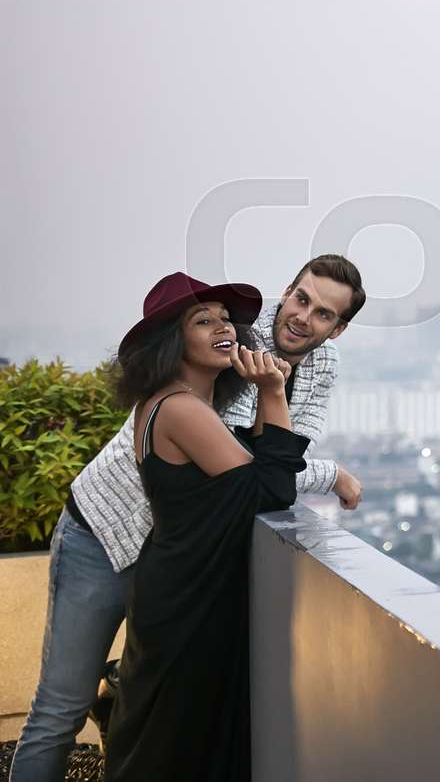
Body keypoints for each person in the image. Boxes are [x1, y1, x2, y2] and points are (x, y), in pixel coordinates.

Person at [9, 255, 366, 782]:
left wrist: (293, 456)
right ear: (286, 291)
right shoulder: (227, 346)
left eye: (323, 314)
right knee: (61, 709)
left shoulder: (314, 361)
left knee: (154, 701)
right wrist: (331, 474)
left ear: (337, 329)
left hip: (173, 550)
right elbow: (253, 472)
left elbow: (275, 459)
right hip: (106, 531)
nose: (303, 317)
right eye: (301, 299)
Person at [94, 273, 306, 779]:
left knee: (170, 734)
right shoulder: (182, 408)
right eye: (202, 319)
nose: (223, 326)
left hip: (179, 586)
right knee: (178, 741)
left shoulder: (176, 404)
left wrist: (265, 396)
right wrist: (274, 390)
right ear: (173, 340)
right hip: (188, 596)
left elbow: (250, 466)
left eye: (226, 318)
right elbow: (270, 489)